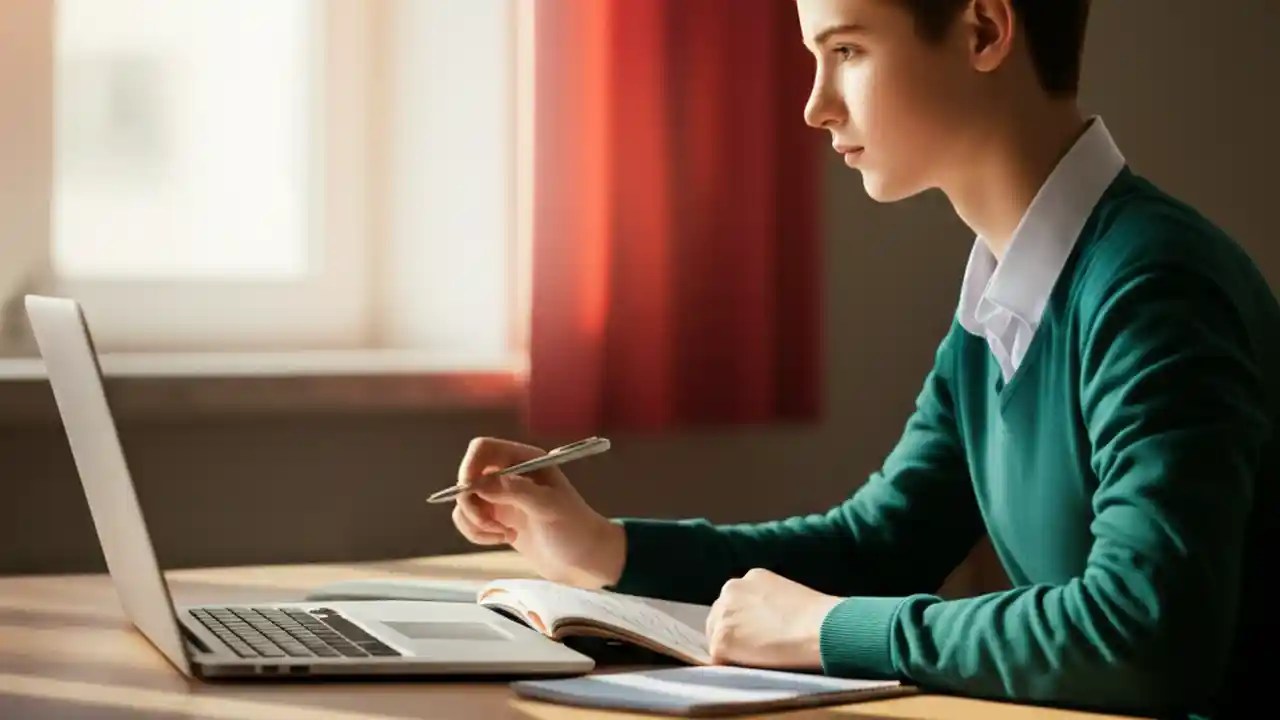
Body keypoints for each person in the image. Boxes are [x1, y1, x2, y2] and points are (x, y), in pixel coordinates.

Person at [449, 1, 1277, 718]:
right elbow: (879, 544)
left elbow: (1143, 632)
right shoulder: (1005, 297)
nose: (813, 106)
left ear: (983, 30)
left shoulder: (1153, 285)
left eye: (846, 51)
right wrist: (600, 548)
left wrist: (824, 630)